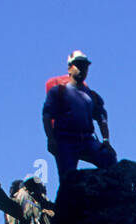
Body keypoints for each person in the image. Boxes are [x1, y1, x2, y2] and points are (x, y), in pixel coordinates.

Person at [42, 50, 116, 185]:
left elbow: (102, 118)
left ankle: (106, 195)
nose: (82, 69)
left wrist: (106, 140)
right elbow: (47, 116)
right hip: (65, 140)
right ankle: (66, 204)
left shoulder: (91, 95)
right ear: (70, 68)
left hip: (86, 140)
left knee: (109, 158)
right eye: (78, 65)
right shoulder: (58, 92)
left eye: (85, 66)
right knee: (68, 179)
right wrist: (51, 139)